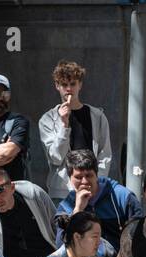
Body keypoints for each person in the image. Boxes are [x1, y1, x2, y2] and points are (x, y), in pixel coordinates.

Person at [38, 60, 113, 199]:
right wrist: (64, 125)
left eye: (73, 84)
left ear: (80, 85)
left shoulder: (97, 116)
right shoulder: (47, 119)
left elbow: (105, 154)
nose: (68, 89)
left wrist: (97, 182)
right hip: (63, 192)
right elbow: (55, 157)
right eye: (64, 84)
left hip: (92, 190)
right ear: (57, 86)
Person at [55, 149, 143, 257]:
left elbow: (139, 236)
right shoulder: (66, 206)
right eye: (78, 177)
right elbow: (61, 247)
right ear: (70, 178)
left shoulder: (122, 197)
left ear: (96, 175)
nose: (84, 181)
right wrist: (78, 210)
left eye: (89, 175)